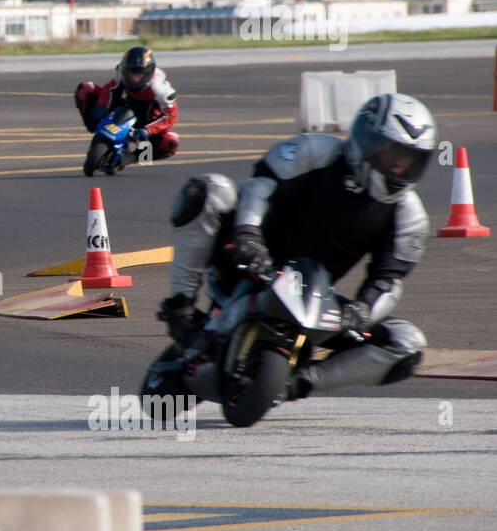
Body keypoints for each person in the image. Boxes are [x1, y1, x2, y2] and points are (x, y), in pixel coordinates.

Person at [157, 93, 436, 398]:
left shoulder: (410, 215)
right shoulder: (316, 151)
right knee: (208, 190)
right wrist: (248, 233)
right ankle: (180, 307)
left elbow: (387, 280)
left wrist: (363, 310)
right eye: (389, 153)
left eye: (408, 160)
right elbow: (259, 187)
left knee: (406, 342)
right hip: (247, 260)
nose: (397, 167)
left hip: (313, 299)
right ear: (365, 141)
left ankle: (301, 381)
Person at [74, 45, 179, 159]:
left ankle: (136, 157)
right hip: (127, 103)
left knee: (170, 142)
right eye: (130, 73)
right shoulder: (121, 72)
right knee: (85, 89)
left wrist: (148, 130)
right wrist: (102, 106)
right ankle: (95, 127)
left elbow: (170, 117)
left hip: (148, 118)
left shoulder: (161, 89)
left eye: (138, 74)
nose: (133, 78)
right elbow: (110, 89)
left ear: (148, 72)